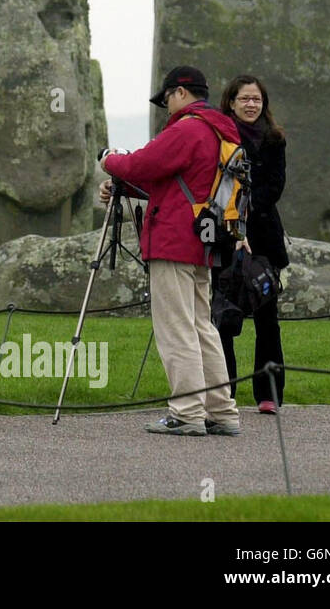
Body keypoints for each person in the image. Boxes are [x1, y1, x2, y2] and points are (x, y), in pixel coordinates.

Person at [99, 66, 242, 436]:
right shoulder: (221, 129)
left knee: (176, 328)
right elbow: (177, 184)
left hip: (173, 239)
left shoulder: (187, 128)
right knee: (201, 326)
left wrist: (108, 159)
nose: (167, 107)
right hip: (204, 239)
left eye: (167, 99)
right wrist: (124, 188)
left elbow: (140, 164)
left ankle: (187, 412)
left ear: (180, 92)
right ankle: (222, 411)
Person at [214, 75, 288, 414]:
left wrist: (247, 207)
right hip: (226, 234)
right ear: (231, 101)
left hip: (263, 236)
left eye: (256, 99)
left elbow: (275, 185)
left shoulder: (274, 139)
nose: (251, 105)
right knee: (223, 315)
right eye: (244, 98)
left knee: (266, 316)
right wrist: (235, 218)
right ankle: (223, 390)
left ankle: (268, 392)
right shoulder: (219, 136)